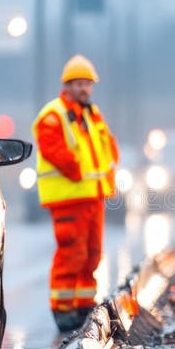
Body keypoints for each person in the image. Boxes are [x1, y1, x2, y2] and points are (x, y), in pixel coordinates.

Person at [32, 55, 119, 332]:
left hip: (92, 196)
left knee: (92, 253)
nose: (84, 89)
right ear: (67, 85)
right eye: (79, 83)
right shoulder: (53, 114)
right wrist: (76, 171)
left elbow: (108, 150)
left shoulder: (91, 115)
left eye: (87, 84)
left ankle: (83, 305)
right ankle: (62, 310)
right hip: (69, 197)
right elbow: (53, 148)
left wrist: (106, 180)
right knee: (72, 253)